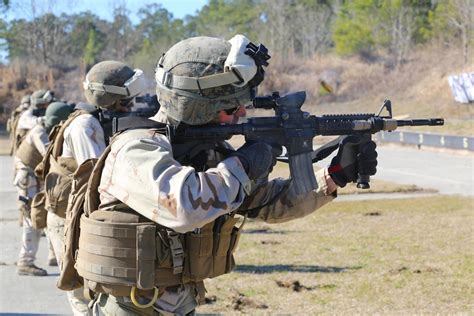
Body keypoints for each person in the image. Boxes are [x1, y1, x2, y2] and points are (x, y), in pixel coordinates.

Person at [75, 35, 378, 314]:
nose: (241, 114)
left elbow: (265, 204)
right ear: (197, 107)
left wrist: (335, 176)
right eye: (232, 106)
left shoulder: (208, 151)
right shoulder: (136, 147)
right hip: (132, 307)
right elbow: (184, 206)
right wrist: (245, 164)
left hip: (179, 303)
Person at [42, 60, 147, 315]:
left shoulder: (96, 120)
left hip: (79, 215)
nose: (132, 104)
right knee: (83, 295)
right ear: (114, 98)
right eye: (128, 99)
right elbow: (99, 177)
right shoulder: (85, 126)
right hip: (69, 219)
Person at [13, 101, 72, 276]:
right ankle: (25, 261)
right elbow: (50, 156)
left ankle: (53, 254)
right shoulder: (40, 133)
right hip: (28, 179)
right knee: (33, 218)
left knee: (46, 213)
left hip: (33, 177)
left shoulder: (43, 128)